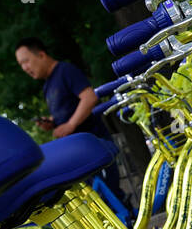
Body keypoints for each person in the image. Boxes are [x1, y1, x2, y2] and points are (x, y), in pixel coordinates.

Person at [14, 37, 128, 200]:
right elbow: (65, 111)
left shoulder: (65, 70)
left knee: (111, 197)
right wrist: (52, 122)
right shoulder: (47, 86)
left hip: (93, 145)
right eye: (21, 65)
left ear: (41, 55)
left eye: (26, 61)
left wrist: (70, 124)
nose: (25, 68)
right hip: (77, 152)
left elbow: (89, 97)